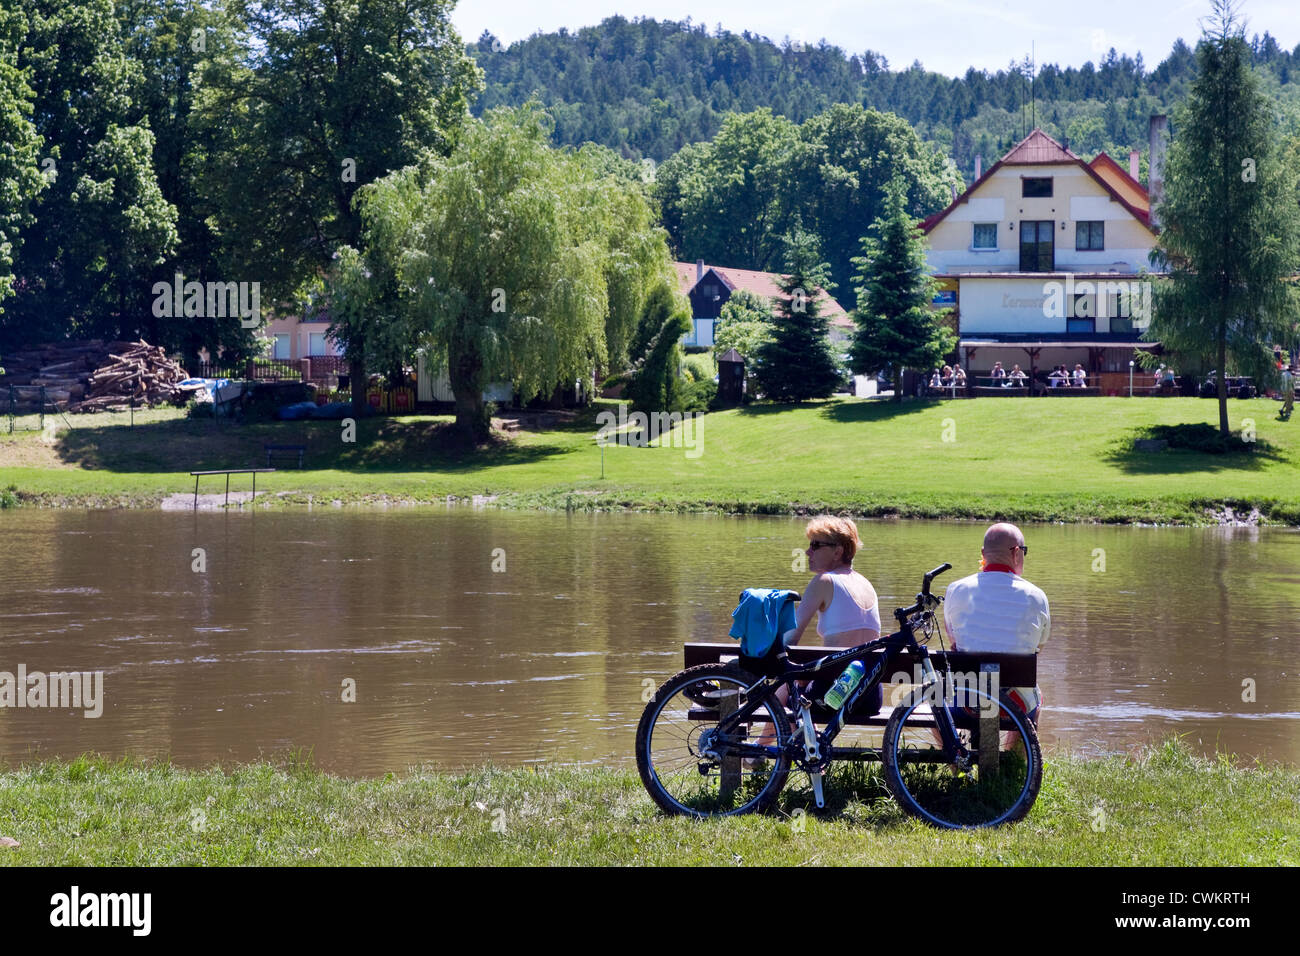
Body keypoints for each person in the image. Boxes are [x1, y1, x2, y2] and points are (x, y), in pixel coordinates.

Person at [753, 517, 881, 752]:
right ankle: (764, 752)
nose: (807, 552)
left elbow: (790, 641)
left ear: (838, 552)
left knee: (786, 686)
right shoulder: (866, 583)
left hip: (833, 695)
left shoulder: (823, 581)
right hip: (870, 697)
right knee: (796, 681)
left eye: (815, 545)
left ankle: (759, 751)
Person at [942, 523, 1050, 728]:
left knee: (936, 703)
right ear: (1017, 552)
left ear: (983, 553)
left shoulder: (955, 590)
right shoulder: (1037, 596)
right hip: (1015, 706)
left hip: (968, 704)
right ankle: (1014, 757)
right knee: (1035, 696)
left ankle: (954, 760)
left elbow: (954, 642)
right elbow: (1038, 649)